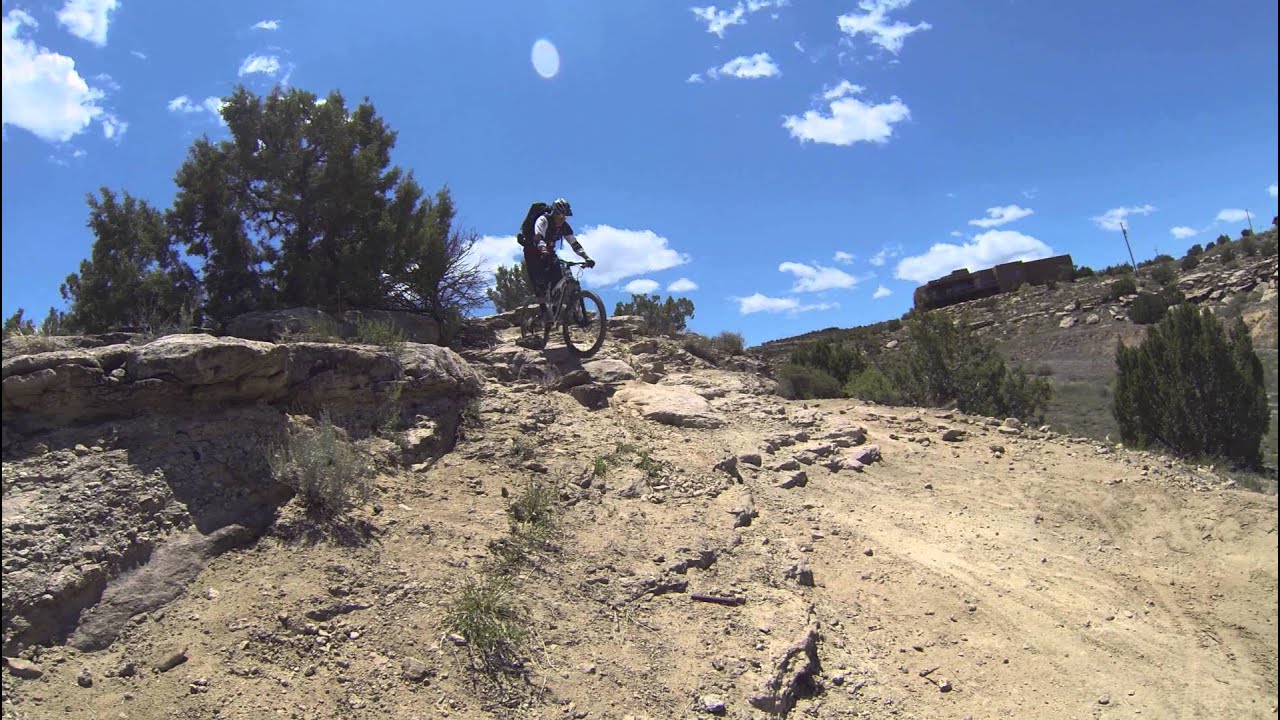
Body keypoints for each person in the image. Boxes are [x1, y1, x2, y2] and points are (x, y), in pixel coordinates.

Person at [523, 198, 595, 316]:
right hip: (533, 253)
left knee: (558, 280)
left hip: (549, 253)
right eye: (560, 215)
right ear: (554, 213)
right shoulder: (543, 220)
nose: (562, 219)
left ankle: (556, 310)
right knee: (540, 284)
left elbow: (574, 244)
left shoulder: (564, 226)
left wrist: (587, 257)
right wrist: (543, 249)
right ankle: (544, 312)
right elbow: (538, 237)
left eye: (564, 216)